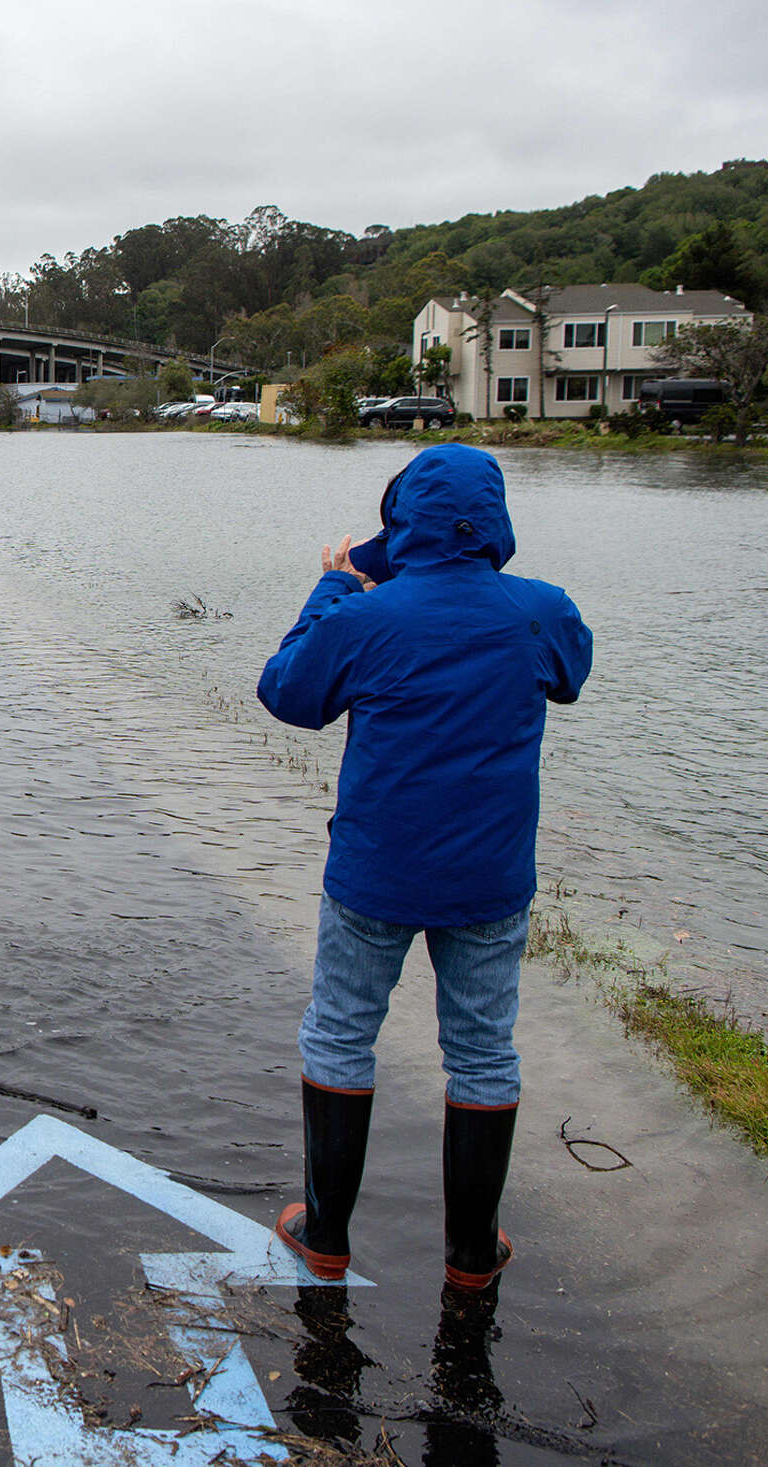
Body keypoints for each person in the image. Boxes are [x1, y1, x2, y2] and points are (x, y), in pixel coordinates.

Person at [257, 444, 592, 1291]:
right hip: (490, 881)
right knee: (482, 1052)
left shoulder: (366, 617)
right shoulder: (541, 612)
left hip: (376, 873)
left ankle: (325, 1236)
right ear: (496, 521)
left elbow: (287, 693)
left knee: (340, 1032)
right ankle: (472, 1256)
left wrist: (335, 584)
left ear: (402, 524)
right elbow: (571, 675)